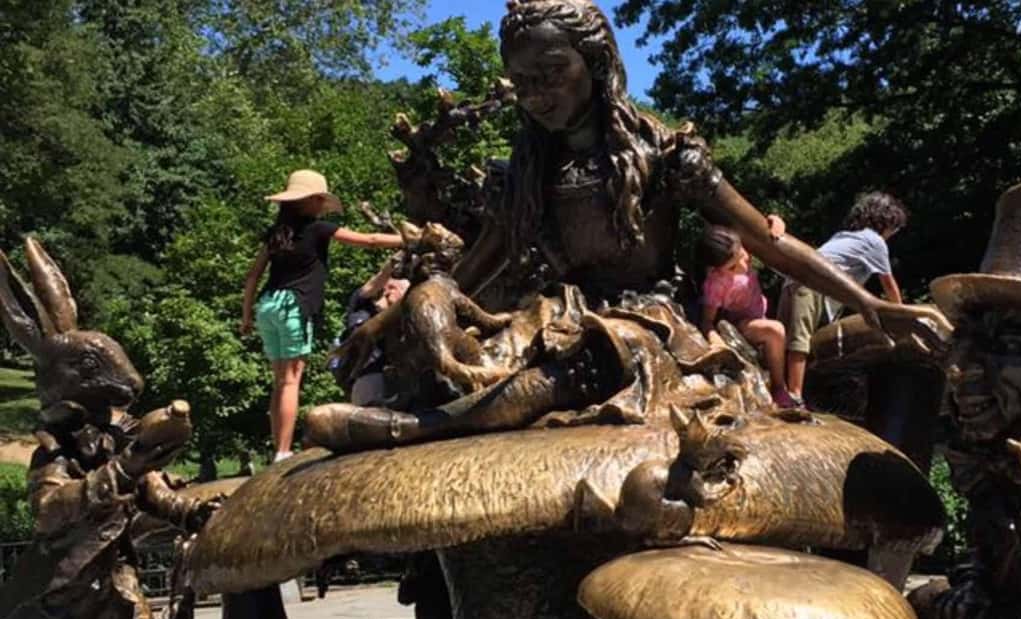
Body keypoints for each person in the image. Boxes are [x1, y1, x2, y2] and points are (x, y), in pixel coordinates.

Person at [313, 0, 947, 450]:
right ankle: (415, 404)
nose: (538, 95)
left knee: (563, 373)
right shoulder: (528, 171)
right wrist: (393, 318)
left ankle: (415, 429)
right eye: (525, 81)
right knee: (433, 302)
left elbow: (768, 242)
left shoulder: (667, 158)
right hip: (553, 314)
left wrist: (870, 303)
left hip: (640, 322)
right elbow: (479, 268)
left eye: (552, 74)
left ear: (594, 62)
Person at [240, 169, 403, 461]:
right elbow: (371, 240)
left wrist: (246, 316)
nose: (320, 204)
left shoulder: (276, 234)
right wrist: (406, 240)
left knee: (279, 382)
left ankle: (278, 446)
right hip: (293, 305)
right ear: (308, 202)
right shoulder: (318, 229)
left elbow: (252, 276)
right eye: (317, 199)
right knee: (292, 381)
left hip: (267, 305)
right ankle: (282, 452)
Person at [778, 191, 909, 405]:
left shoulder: (844, 236)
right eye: (895, 228)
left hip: (793, 281)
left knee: (786, 339)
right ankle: (795, 395)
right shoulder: (875, 241)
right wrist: (901, 317)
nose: (894, 233)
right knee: (799, 342)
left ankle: (779, 388)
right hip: (812, 284)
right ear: (887, 221)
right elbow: (889, 285)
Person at [698, 225, 794, 408]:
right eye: (732, 267)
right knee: (776, 330)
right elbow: (707, 321)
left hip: (760, 313)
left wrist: (774, 221)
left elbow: (760, 225)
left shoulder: (744, 247)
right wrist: (714, 338)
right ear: (716, 270)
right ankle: (779, 387)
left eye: (742, 254)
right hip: (740, 325)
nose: (743, 264)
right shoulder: (716, 283)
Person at [341, 267, 410, 406]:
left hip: (402, 380)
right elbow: (370, 286)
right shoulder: (363, 307)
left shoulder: (408, 318)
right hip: (371, 378)